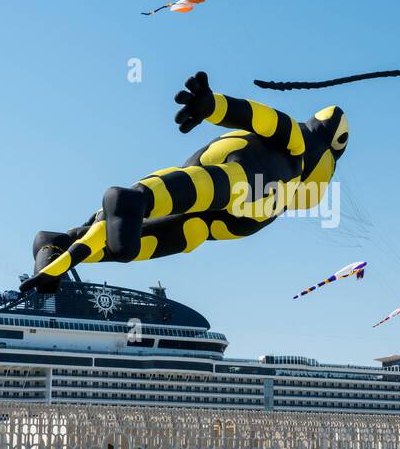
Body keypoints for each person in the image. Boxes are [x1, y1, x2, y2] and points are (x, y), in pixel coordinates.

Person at [23, 71, 350, 295]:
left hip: (216, 223)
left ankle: (60, 244)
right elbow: (263, 118)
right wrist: (214, 106)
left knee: (180, 234)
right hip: (240, 173)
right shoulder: (299, 143)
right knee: (219, 185)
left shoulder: (296, 185)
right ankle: (137, 198)